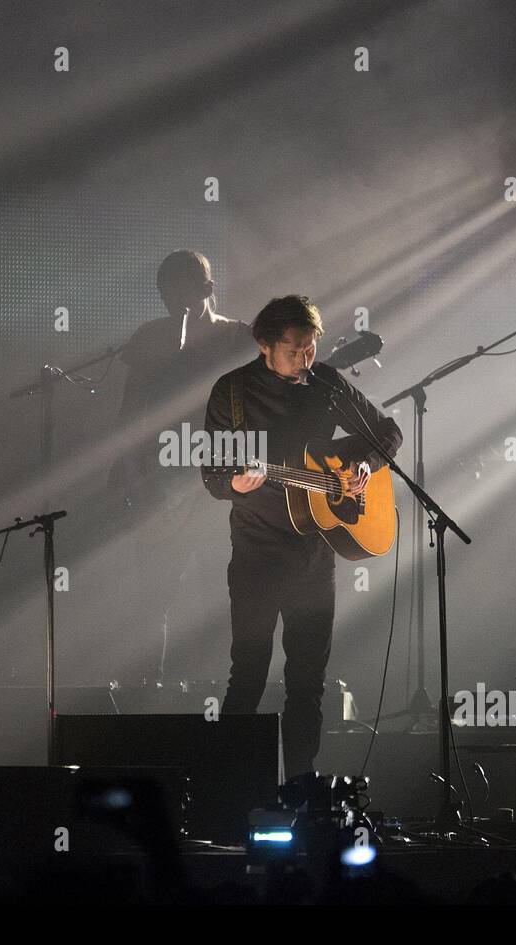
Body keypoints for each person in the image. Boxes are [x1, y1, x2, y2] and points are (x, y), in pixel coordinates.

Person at [201, 295, 403, 777]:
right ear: (264, 345)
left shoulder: (326, 384)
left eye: (311, 349)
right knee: (247, 675)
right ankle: (228, 787)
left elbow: (387, 432)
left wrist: (360, 466)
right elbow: (213, 475)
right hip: (256, 554)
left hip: (315, 556)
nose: (305, 360)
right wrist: (234, 482)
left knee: (308, 682)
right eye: (294, 350)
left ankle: (301, 787)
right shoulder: (231, 393)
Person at [108, 250, 254, 678]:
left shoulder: (239, 337)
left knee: (220, 589)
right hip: (160, 481)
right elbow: (130, 413)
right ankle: (148, 692)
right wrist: (132, 474)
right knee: (154, 596)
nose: (173, 305)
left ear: (208, 289)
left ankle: (219, 692)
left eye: (182, 295)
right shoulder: (150, 337)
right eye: (166, 297)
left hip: (220, 483)